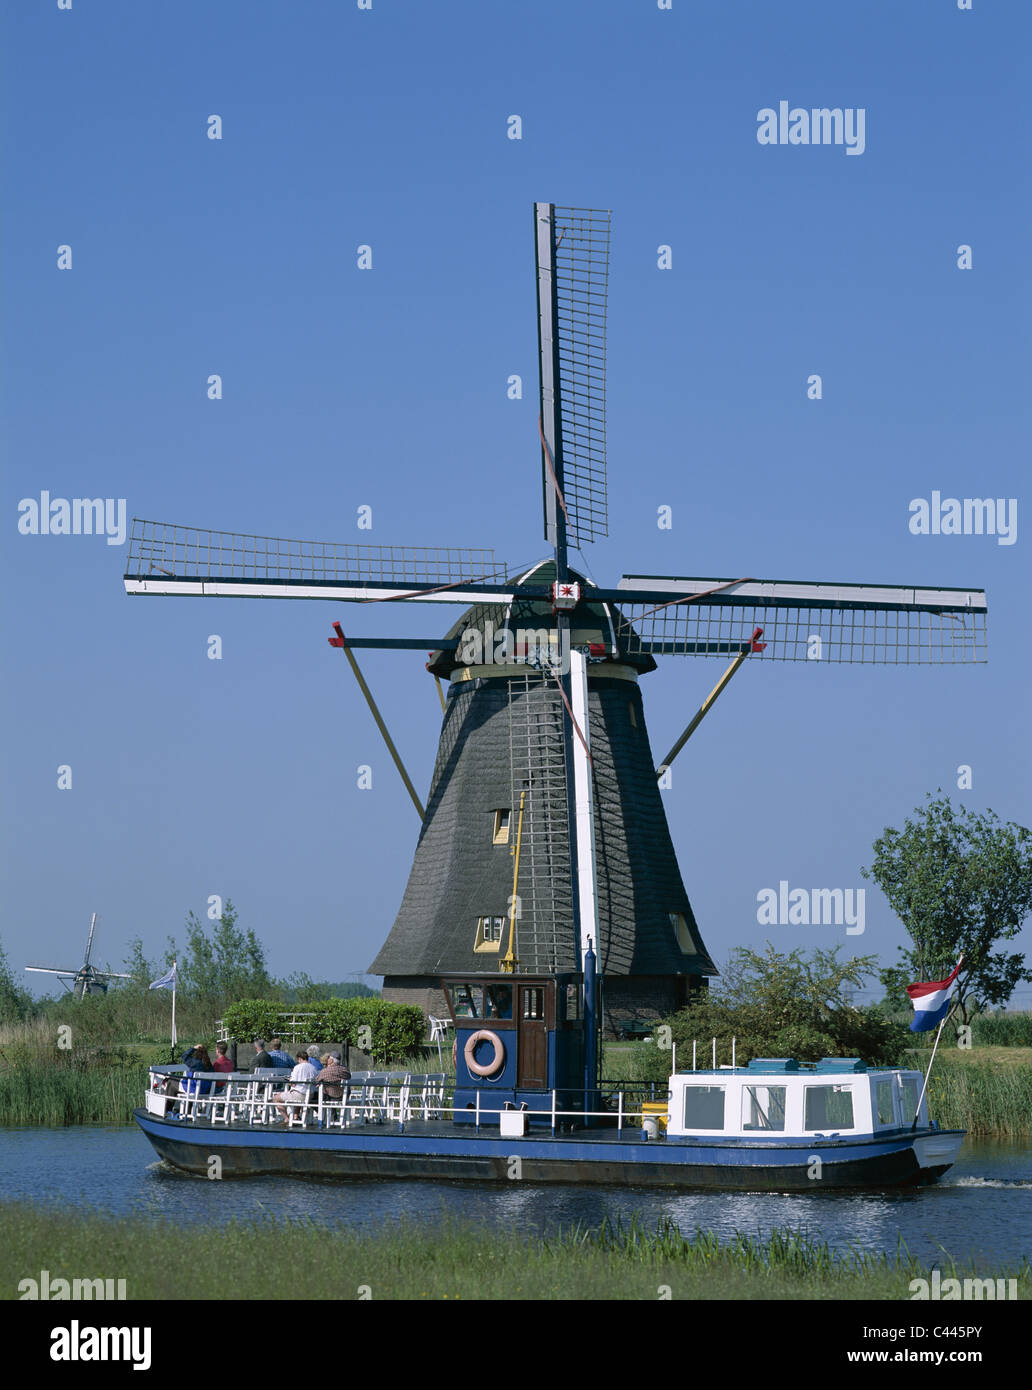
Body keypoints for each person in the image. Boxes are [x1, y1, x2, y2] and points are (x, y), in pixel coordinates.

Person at [273, 1049, 319, 1123]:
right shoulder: (314, 1068)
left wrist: (289, 1080)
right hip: (310, 1095)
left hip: (299, 1095)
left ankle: (286, 1118)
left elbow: (293, 1083)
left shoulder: (298, 1067)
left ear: (300, 1058)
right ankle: (295, 1116)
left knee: (276, 1098)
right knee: (297, 1095)